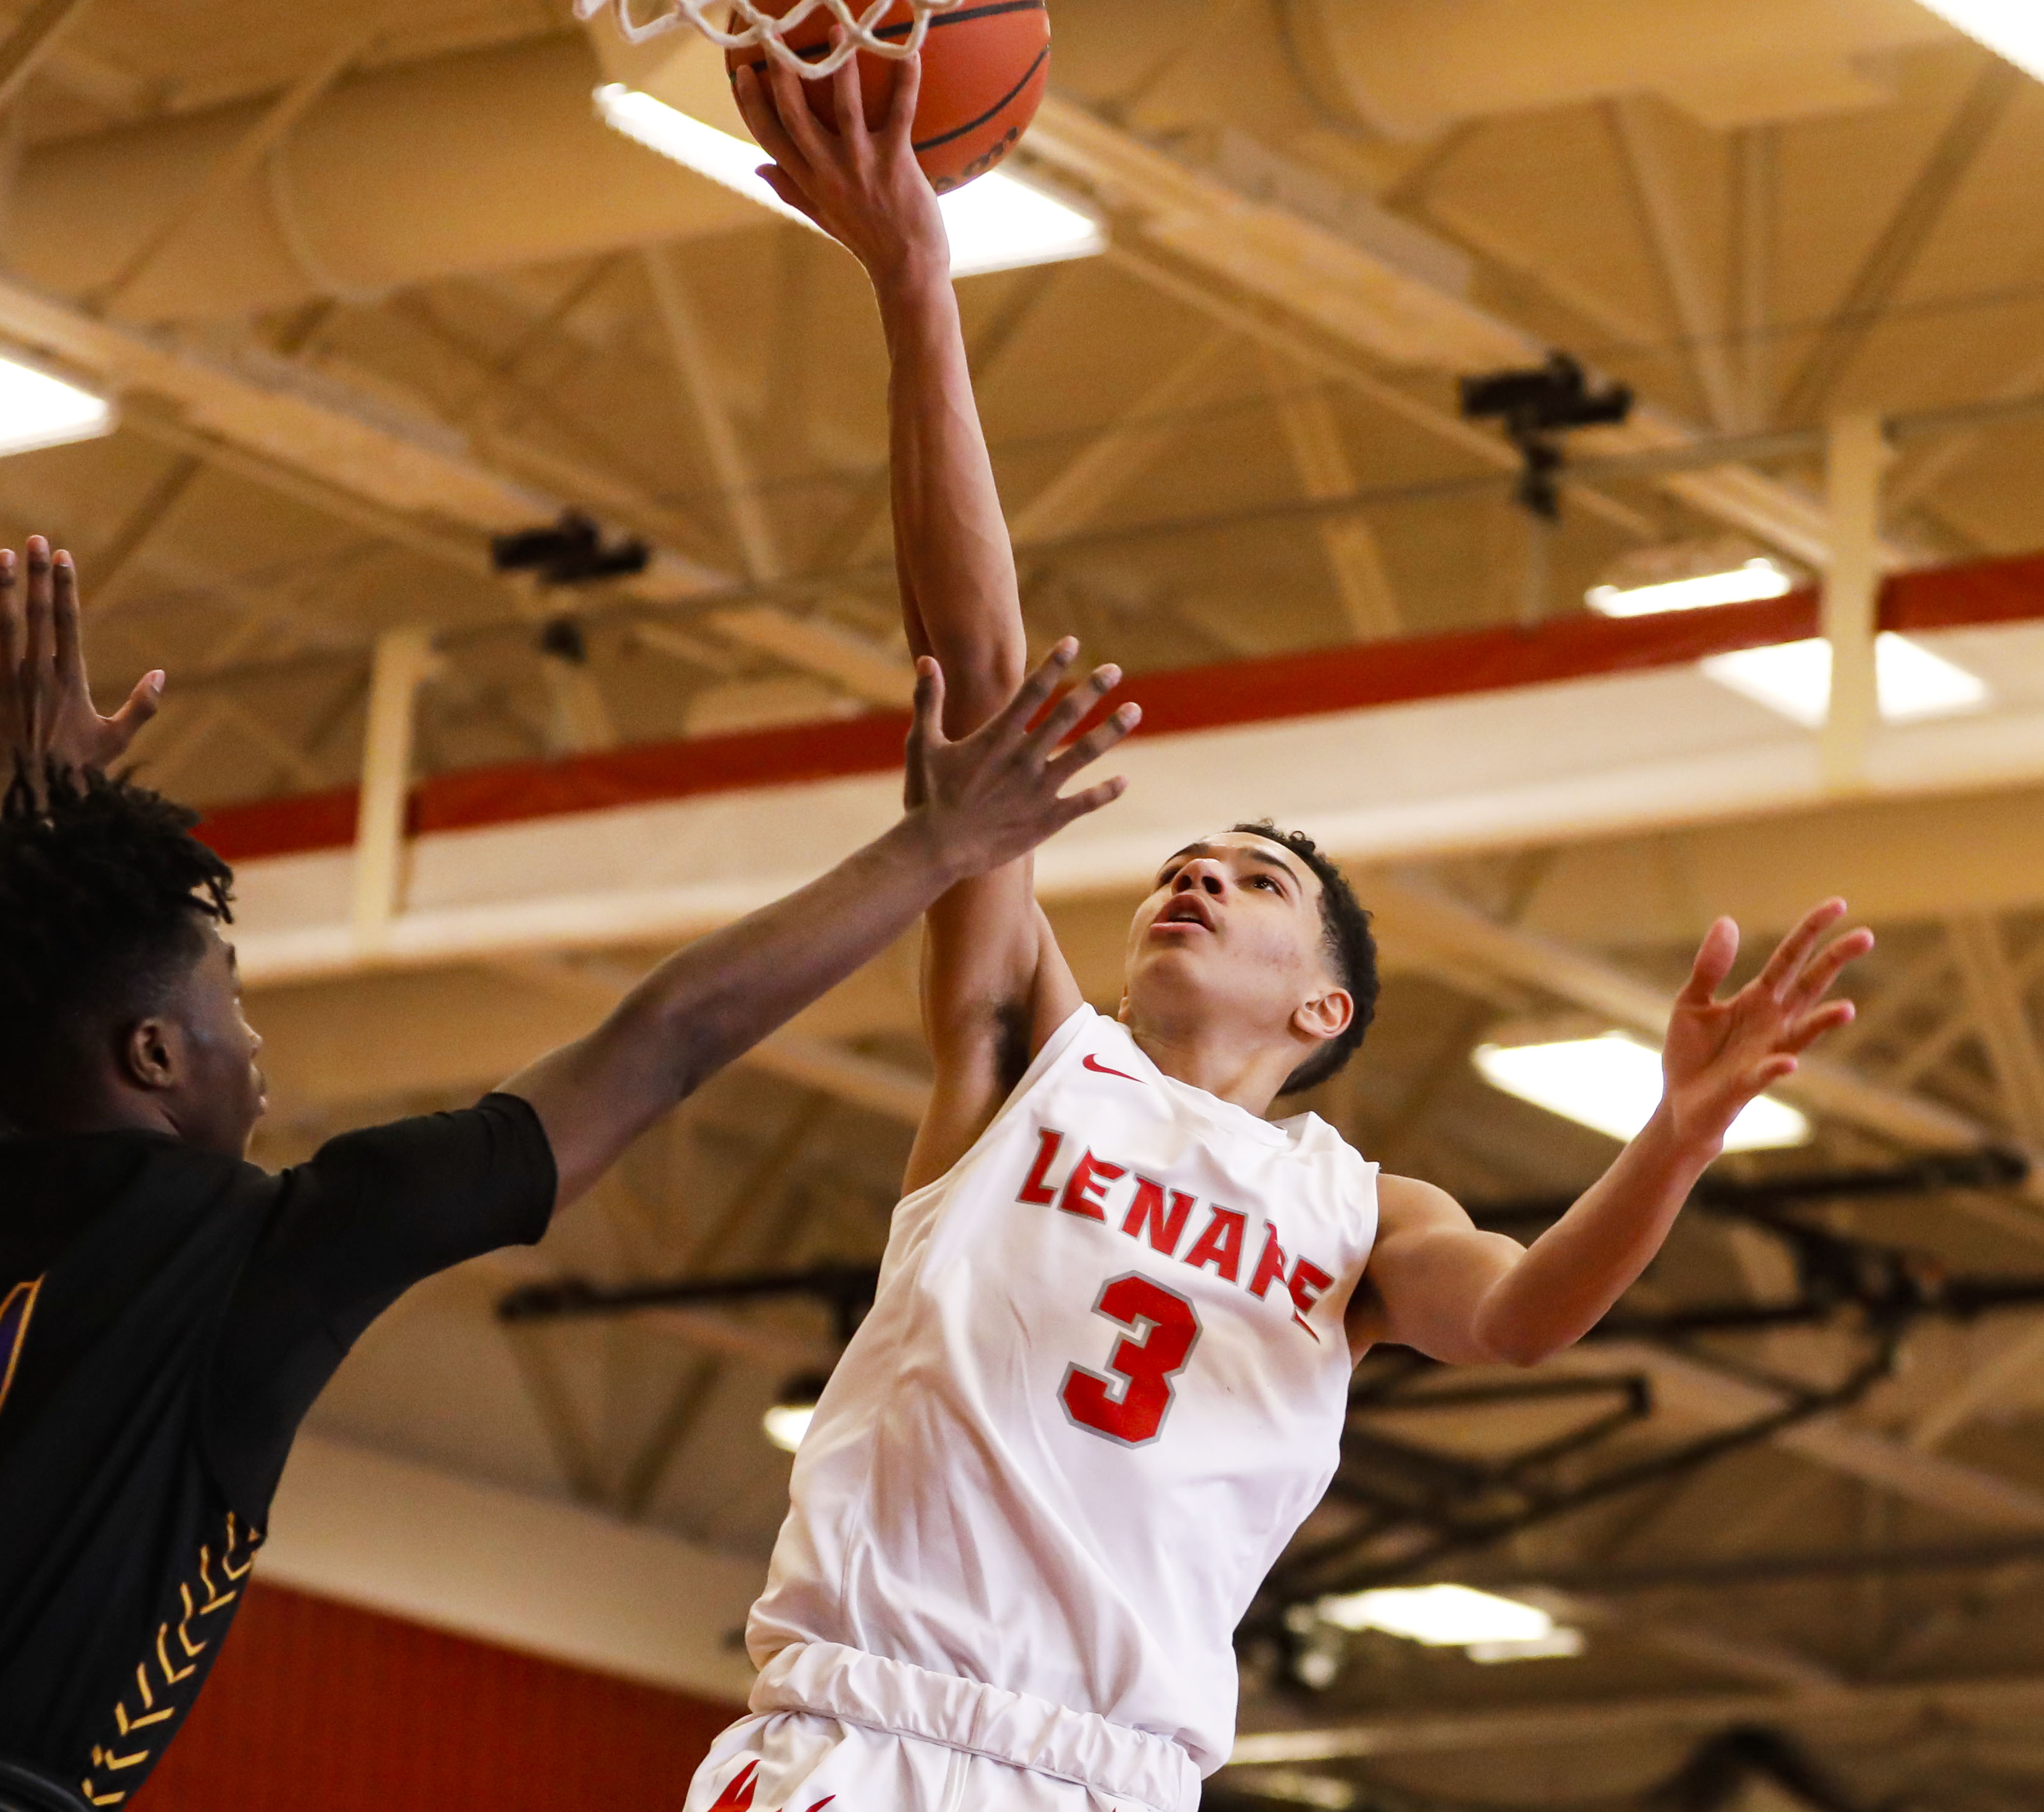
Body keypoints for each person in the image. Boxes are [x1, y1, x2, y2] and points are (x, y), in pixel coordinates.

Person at [685, 57, 1877, 1812]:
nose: (1196, 877)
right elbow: (978, 665)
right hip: (869, 1734)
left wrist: (1680, 1135)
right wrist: (919, 282)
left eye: (1252, 877)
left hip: (1116, 1780)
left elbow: (1533, 1318)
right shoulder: (1031, 1048)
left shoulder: (1361, 1215)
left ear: (1324, 998)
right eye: (1185, 859)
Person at [0, 536, 1145, 1812]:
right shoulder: (260, 1255)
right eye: (230, 1002)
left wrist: (48, 824)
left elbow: (30, 1016)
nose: (256, 1040)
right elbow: (662, 1043)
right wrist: (941, 842)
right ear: (152, 1052)